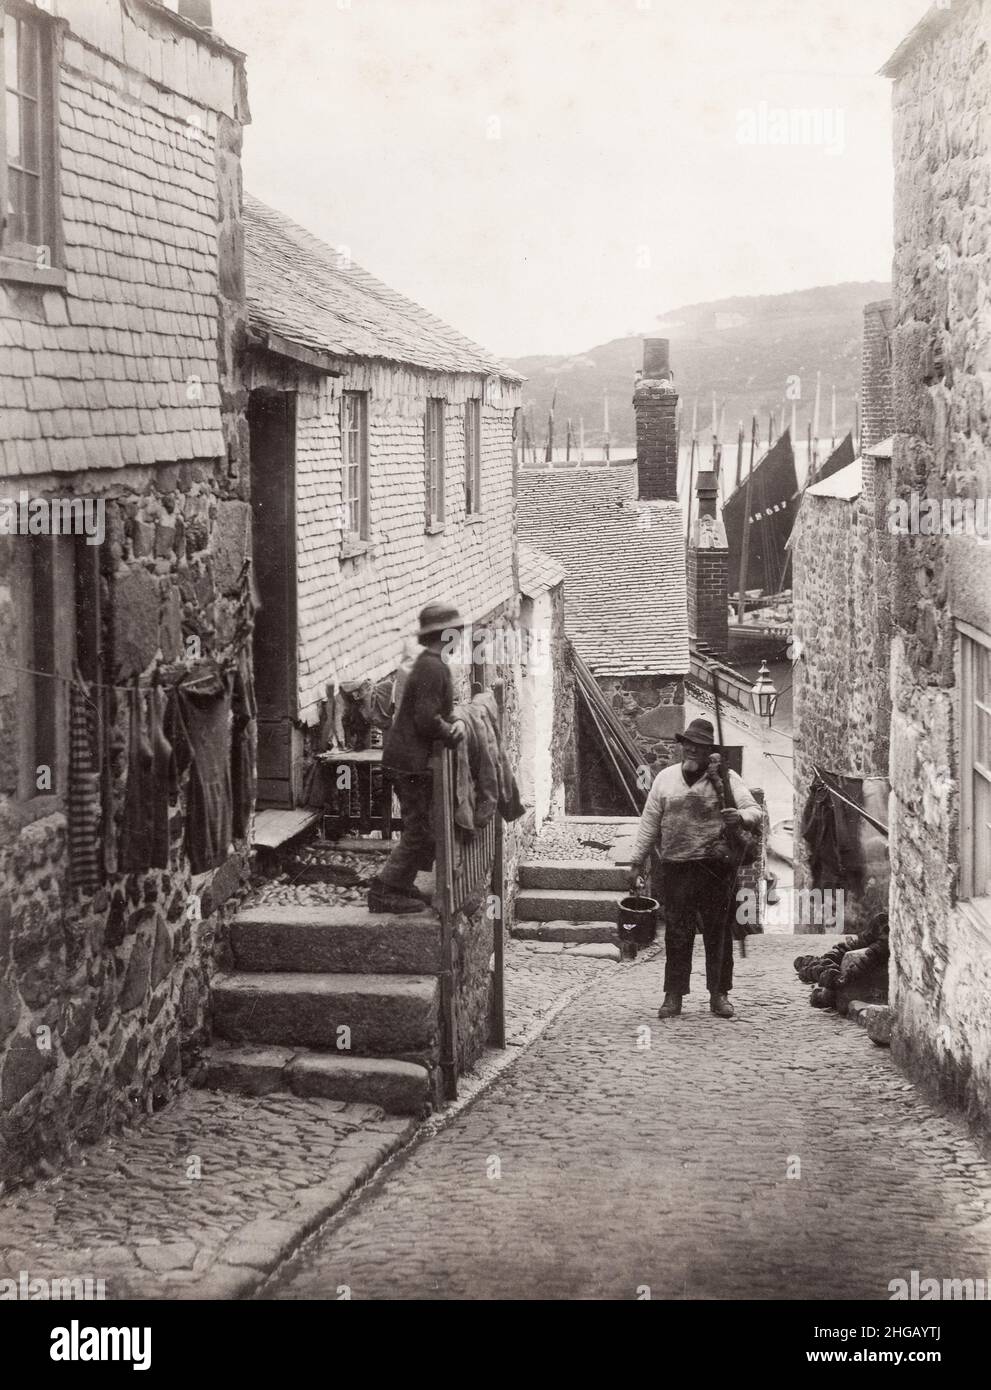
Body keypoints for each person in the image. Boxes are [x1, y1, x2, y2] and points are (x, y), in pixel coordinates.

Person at [626, 718, 761, 1020]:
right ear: (682, 746)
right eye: (687, 744)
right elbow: (649, 823)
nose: (691, 749)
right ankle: (673, 996)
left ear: (707, 750)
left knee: (718, 933)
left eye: (698, 746)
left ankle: (719, 995)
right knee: (677, 933)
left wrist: (737, 817)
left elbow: (755, 811)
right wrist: (636, 863)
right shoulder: (665, 779)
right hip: (675, 868)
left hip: (715, 869)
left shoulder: (726, 779)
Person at [367, 601, 466, 914]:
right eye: (456, 633)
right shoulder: (433, 667)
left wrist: (453, 719)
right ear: (445, 635)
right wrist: (452, 732)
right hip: (409, 762)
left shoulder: (430, 662)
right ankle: (384, 890)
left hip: (408, 759)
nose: (459, 638)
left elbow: (437, 710)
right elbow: (426, 719)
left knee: (420, 828)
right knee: (419, 830)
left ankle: (401, 882)